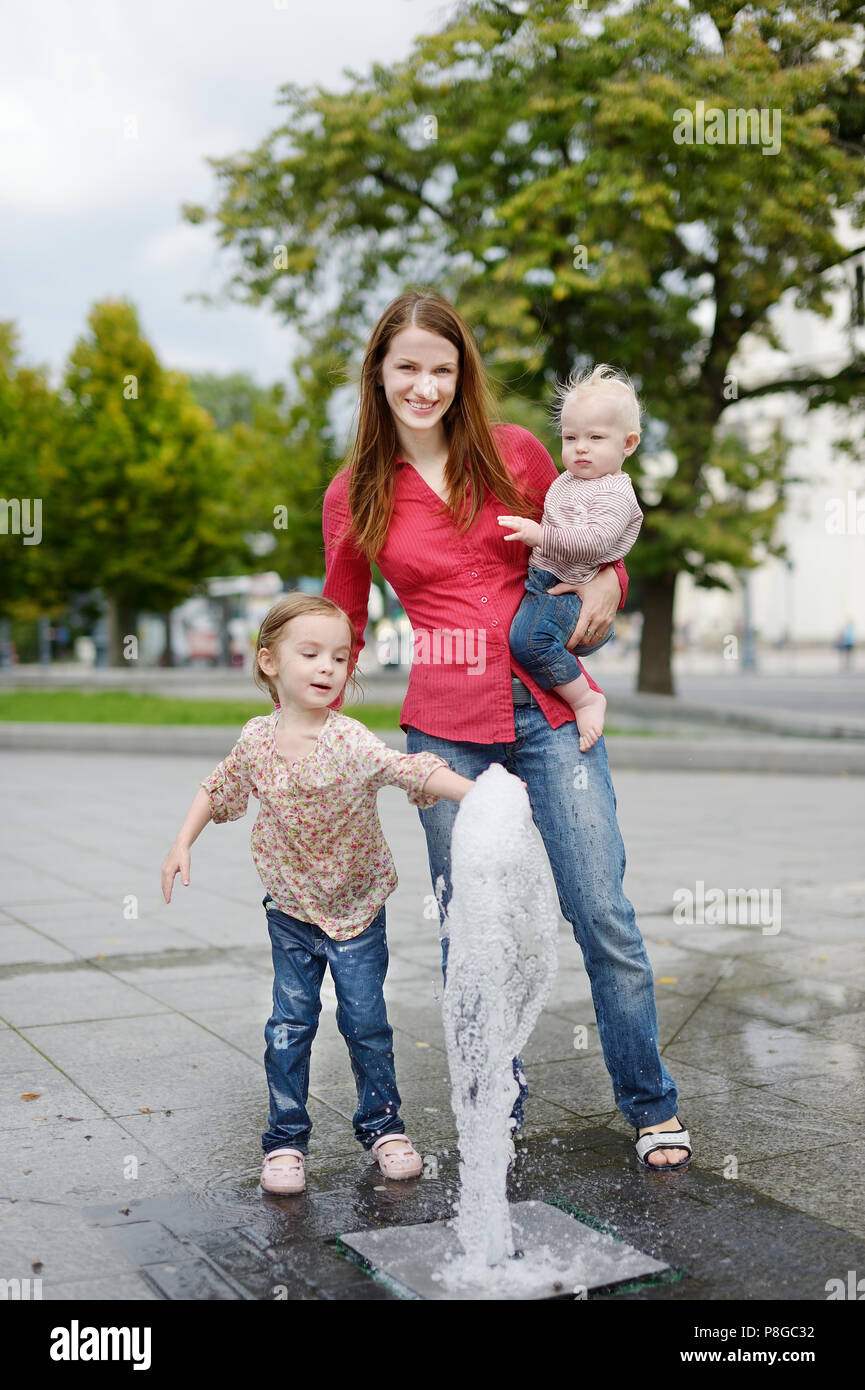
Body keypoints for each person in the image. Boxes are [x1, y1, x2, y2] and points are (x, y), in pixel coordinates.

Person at [322, 290, 691, 1170]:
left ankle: (649, 1107)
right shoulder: (354, 493)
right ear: (379, 373)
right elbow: (340, 618)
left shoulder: (518, 453)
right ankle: (497, 1109)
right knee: (472, 928)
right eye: (406, 366)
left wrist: (611, 586)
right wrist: (306, 726)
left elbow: (592, 534)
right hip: (442, 731)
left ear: (462, 374)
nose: (424, 385)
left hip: (549, 712)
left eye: (441, 368)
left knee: (601, 910)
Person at [160, 592, 474, 1194]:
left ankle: (385, 1128)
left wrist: (474, 793)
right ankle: (285, 1142)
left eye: (339, 656)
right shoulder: (256, 740)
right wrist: (182, 842)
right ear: (270, 662)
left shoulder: (349, 739)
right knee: (289, 1026)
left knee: (366, 1023)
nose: (328, 667)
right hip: (291, 911)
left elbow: (407, 770)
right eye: (311, 653)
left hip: (357, 908)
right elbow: (217, 785)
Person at [497, 364, 644, 753]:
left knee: (529, 642)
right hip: (545, 581)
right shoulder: (568, 480)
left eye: (595, 437)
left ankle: (585, 698)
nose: (580, 447)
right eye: (570, 437)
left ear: (627, 444)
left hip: (566, 588)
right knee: (526, 636)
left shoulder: (614, 492)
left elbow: (595, 542)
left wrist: (539, 536)